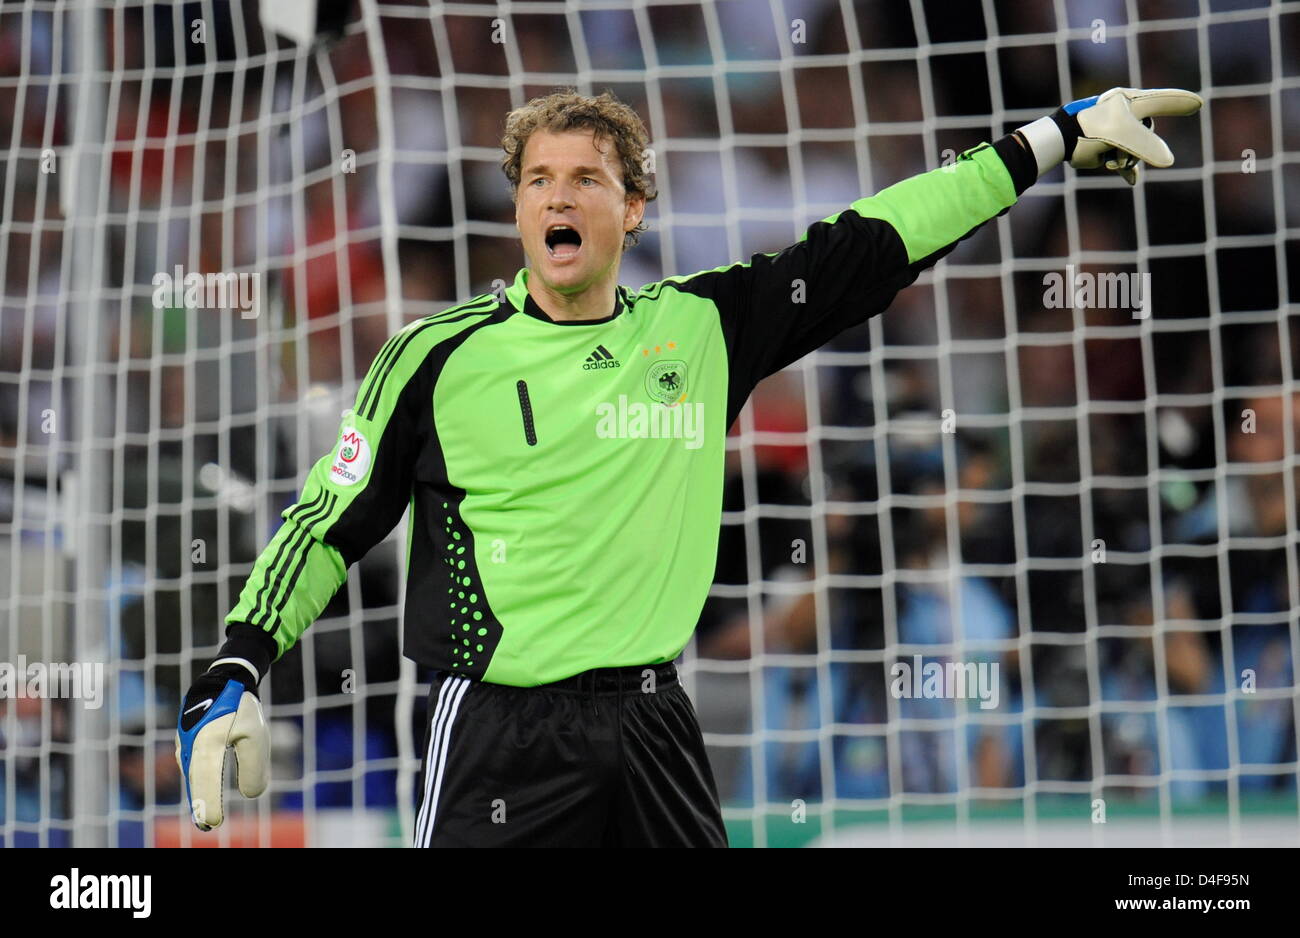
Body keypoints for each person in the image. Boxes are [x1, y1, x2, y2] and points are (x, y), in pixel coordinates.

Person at [175, 86, 1202, 847]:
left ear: (634, 208)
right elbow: (328, 520)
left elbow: (878, 241)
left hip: (654, 723)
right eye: (537, 180)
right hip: (498, 730)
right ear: (519, 210)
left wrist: (1051, 137)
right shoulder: (435, 355)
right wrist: (236, 663)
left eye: (585, 177)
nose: (557, 197)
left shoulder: (702, 326)